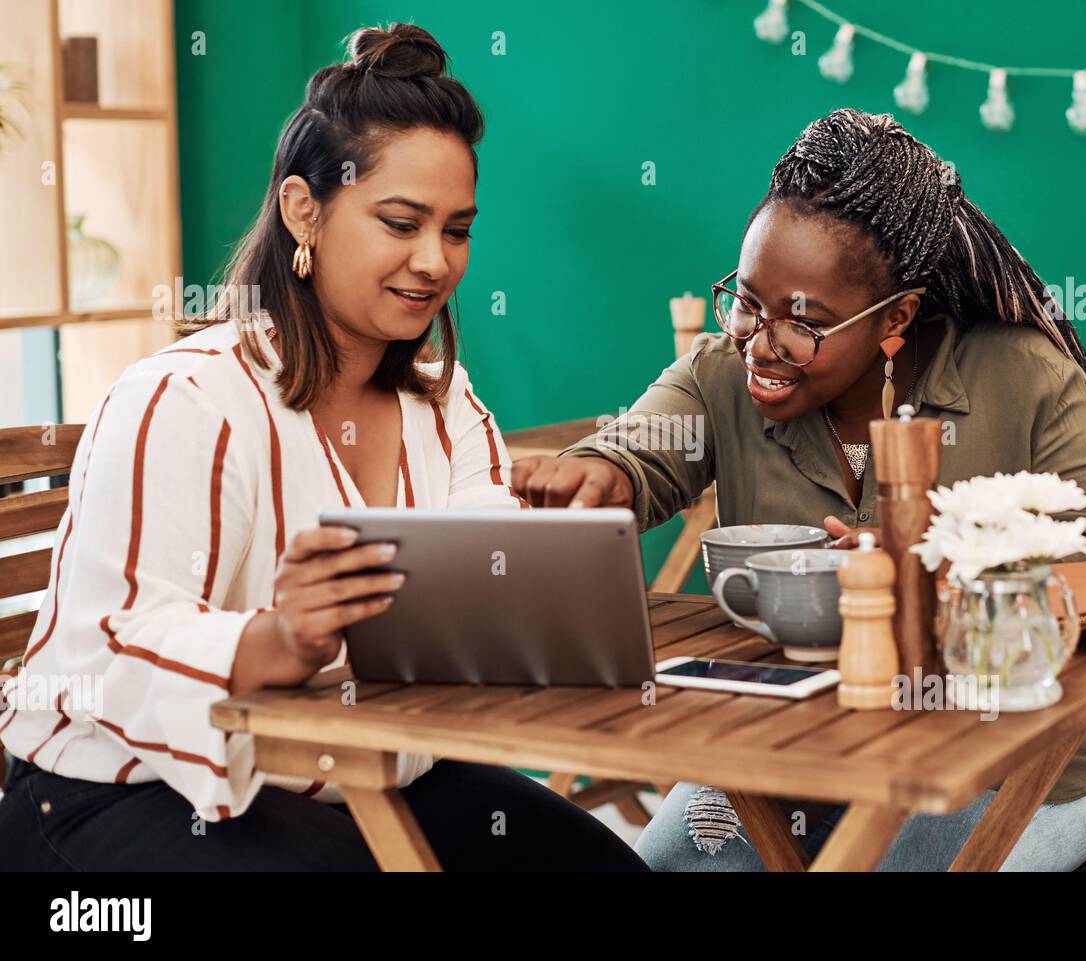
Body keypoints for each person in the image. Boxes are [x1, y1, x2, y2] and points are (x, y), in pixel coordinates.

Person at [0, 23, 646, 872]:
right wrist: (279, 639)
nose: (434, 261)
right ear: (305, 208)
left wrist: (539, 573)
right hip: (114, 800)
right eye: (400, 222)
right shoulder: (185, 397)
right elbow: (110, 646)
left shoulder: (444, 401)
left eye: (456, 230)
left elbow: (487, 596)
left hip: (366, 774)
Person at [512, 109, 1086, 871]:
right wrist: (600, 476)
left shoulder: (1025, 378)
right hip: (788, 754)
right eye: (746, 302)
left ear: (897, 316)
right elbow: (638, 453)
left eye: (803, 321)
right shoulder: (721, 377)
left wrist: (925, 568)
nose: (758, 341)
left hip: (1024, 763)